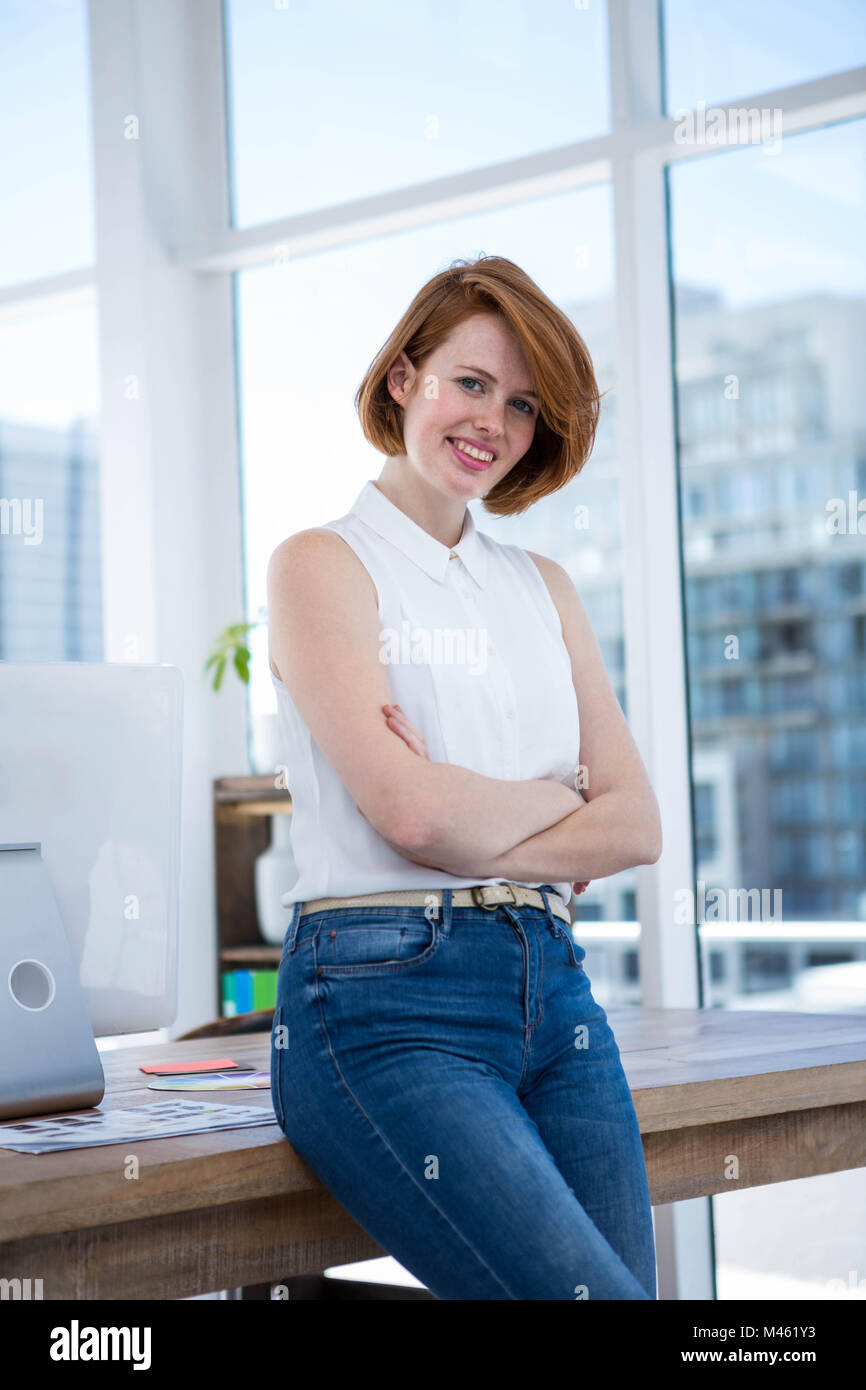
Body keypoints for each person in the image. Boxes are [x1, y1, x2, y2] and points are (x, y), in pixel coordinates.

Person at [267, 255, 662, 1300]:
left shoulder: (544, 588)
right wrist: (557, 798)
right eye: (471, 382)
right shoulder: (321, 565)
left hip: (556, 990)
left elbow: (636, 828)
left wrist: (463, 800)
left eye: (523, 403)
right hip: (383, 997)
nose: (493, 420)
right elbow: (407, 814)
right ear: (403, 378)